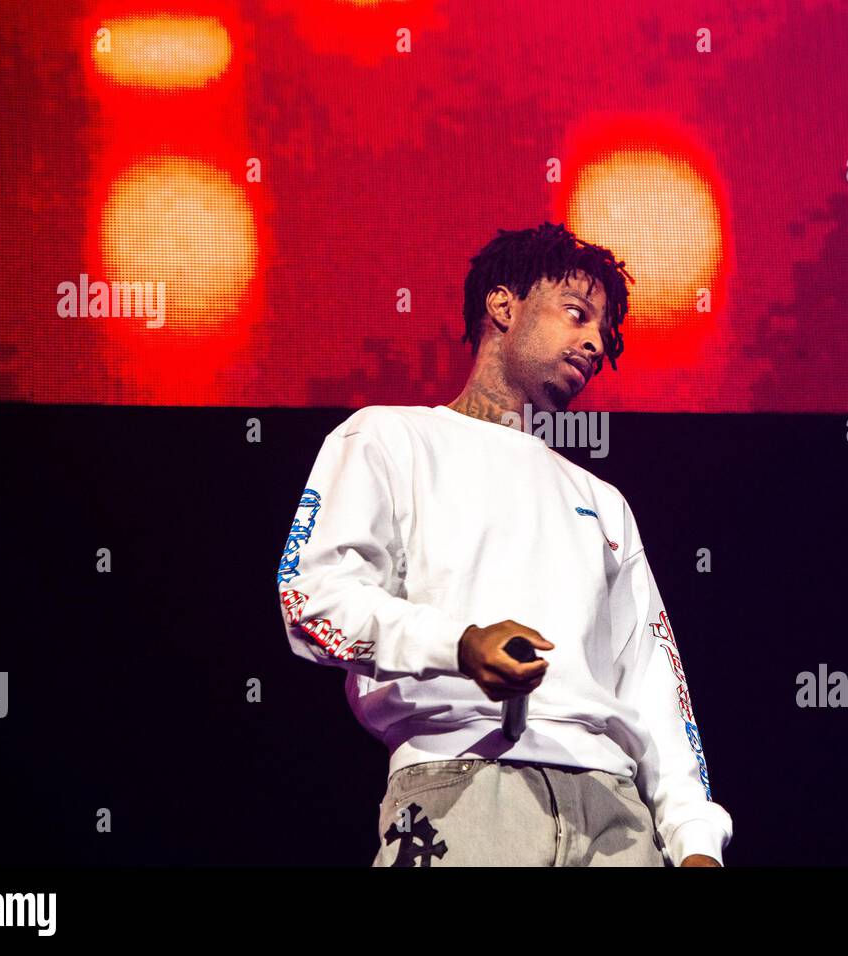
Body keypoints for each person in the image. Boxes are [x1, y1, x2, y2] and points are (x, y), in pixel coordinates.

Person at [275, 222, 732, 866]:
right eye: (577, 314)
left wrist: (693, 839)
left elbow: (655, 682)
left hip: (617, 820)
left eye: (605, 331)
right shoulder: (385, 439)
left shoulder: (604, 502)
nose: (596, 343)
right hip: (463, 788)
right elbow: (313, 603)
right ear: (503, 305)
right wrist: (460, 646)